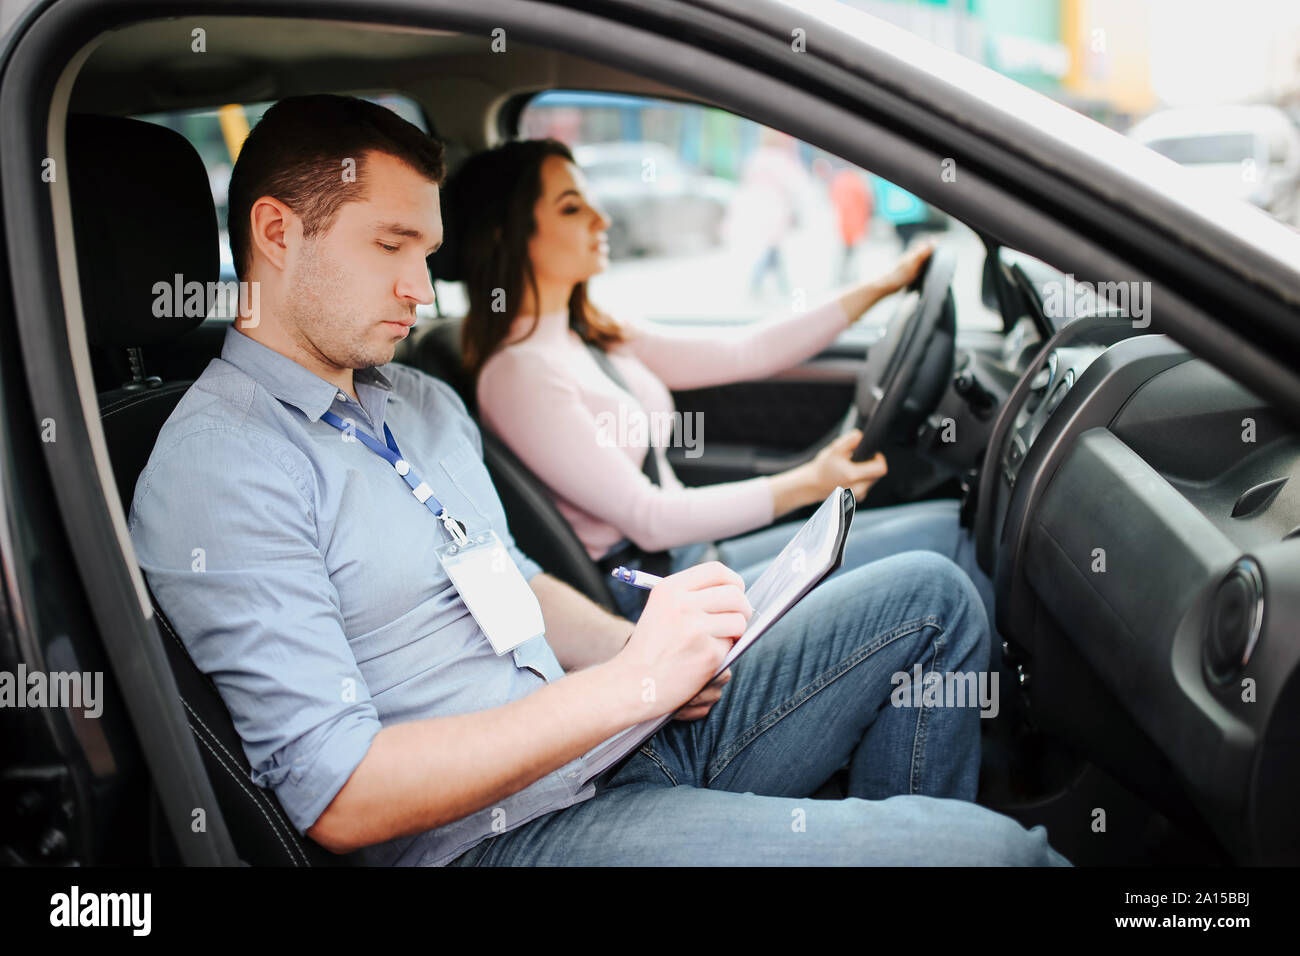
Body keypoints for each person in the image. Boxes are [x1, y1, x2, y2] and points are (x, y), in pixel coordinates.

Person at [129, 94, 1068, 866]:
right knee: (1004, 858)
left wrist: (639, 655)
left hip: (611, 740)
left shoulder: (413, 399)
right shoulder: (224, 466)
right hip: (501, 838)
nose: (424, 287)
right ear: (275, 233)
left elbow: (512, 577)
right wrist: (631, 688)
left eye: (429, 249)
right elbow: (343, 795)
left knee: (934, 601)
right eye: (391, 247)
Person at [453, 138, 994, 636]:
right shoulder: (518, 374)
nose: (602, 217)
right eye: (571, 208)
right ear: (505, 232)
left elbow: (746, 351)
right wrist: (809, 482)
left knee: (950, 526)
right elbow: (651, 517)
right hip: (657, 597)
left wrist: (881, 285)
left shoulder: (587, 335)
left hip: (697, 560)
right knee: (945, 548)